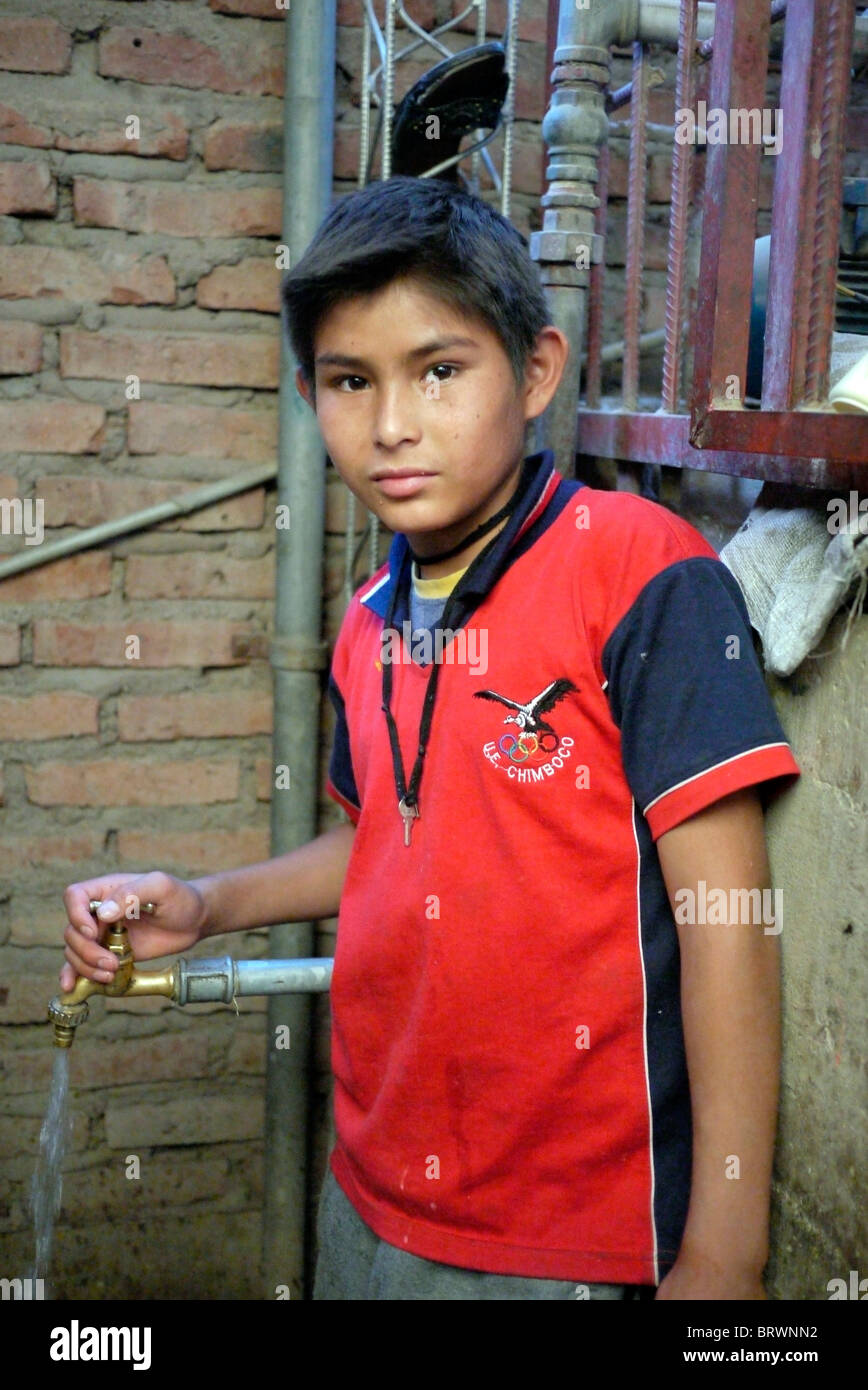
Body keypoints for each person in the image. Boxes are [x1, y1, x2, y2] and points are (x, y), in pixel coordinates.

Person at [61, 175, 801, 1301]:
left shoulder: (638, 571)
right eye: (351, 382)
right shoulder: (369, 618)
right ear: (312, 397)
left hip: (566, 1233)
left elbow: (728, 924)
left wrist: (724, 1252)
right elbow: (387, 846)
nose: (392, 423)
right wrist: (207, 902)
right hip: (369, 1192)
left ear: (537, 373)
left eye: (440, 371)